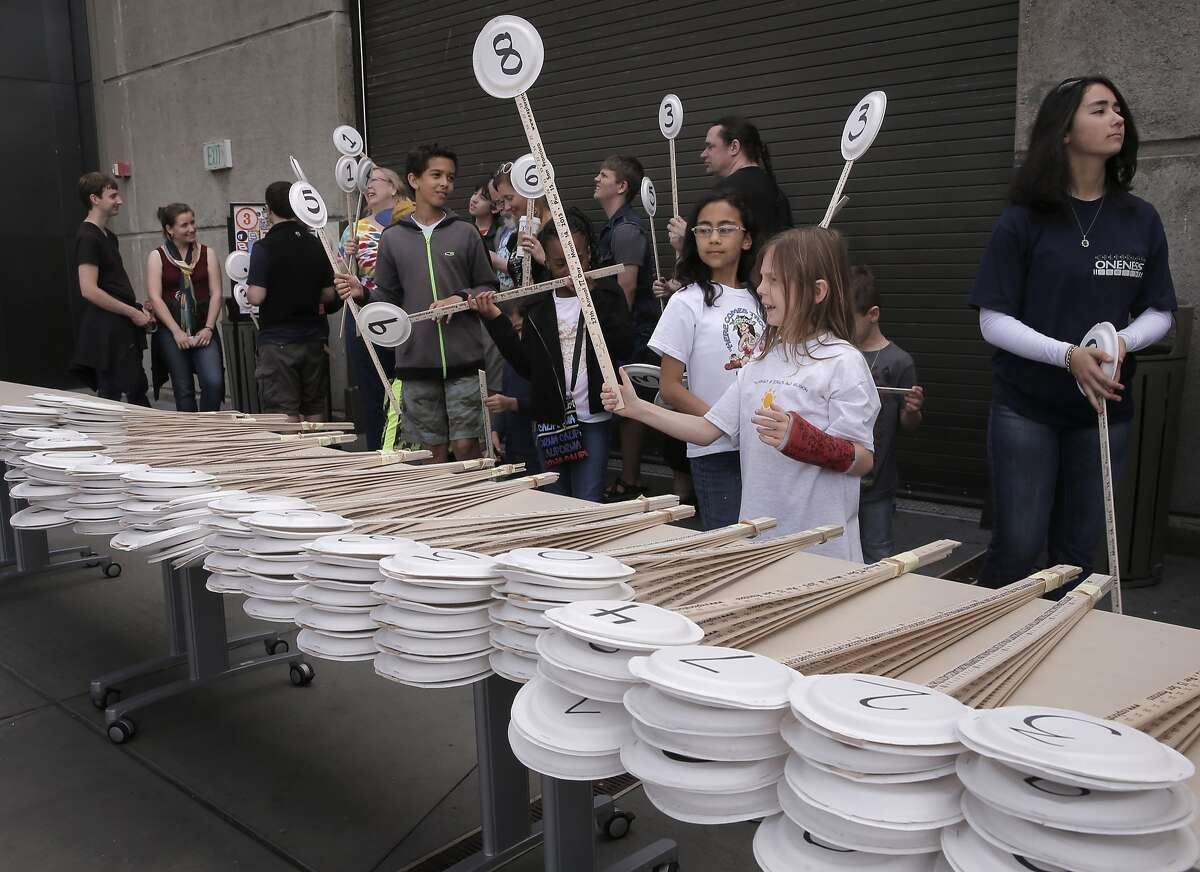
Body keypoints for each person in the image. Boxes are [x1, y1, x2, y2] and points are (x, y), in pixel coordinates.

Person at [969, 75, 1176, 591]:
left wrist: (1121, 343)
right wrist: (1068, 356)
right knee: (1018, 546)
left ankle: (1060, 655)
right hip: (1026, 407)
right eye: (1100, 109)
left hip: (1105, 410)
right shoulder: (1023, 220)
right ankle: (992, 651)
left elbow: (1160, 311)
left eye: (1118, 109)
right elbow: (992, 320)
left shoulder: (1140, 218)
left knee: (1082, 555)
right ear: (1065, 130)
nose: (1117, 119)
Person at [603, 227, 879, 562]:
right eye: (762, 278)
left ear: (817, 291)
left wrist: (804, 440)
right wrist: (639, 409)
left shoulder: (843, 362)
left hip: (823, 551)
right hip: (758, 544)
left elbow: (862, 459)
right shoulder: (761, 358)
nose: (761, 290)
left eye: (775, 280)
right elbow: (707, 430)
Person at [336, 143, 497, 462]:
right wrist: (362, 293)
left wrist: (460, 297)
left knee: (467, 447)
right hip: (414, 362)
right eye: (436, 175)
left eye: (450, 177)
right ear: (413, 180)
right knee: (431, 452)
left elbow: (487, 284)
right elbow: (388, 298)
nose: (444, 184)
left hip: (464, 361)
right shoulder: (393, 238)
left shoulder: (465, 233)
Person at [470, 209, 632, 502]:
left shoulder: (607, 293)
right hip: (550, 419)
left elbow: (623, 344)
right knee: (554, 500)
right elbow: (524, 364)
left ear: (590, 254)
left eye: (579, 259)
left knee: (587, 500)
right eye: (560, 264)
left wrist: (591, 296)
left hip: (593, 416)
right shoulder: (538, 304)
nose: (571, 270)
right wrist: (494, 318)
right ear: (547, 262)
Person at [648, 191, 763, 530]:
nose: (714, 238)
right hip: (713, 448)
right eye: (704, 229)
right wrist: (724, 426)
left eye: (726, 228)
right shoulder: (686, 301)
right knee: (729, 544)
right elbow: (669, 387)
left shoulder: (765, 298)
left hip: (764, 447)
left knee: (766, 542)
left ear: (747, 239)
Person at [593, 154, 660, 501]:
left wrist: (615, 335)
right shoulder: (612, 227)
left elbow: (627, 286)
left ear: (621, 186)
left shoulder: (626, 230)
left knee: (631, 405)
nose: (596, 180)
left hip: (633, 335)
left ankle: (631, 481)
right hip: (627, 332)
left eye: (603, 176)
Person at [246, 181, 339, 422]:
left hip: (278, 342)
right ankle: (317, 456)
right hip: (314, 339)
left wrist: (245, 292)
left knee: (283, 410)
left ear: (268, 210)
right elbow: (329, 294)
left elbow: (257, 296)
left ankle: (295, 459)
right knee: (314, 407)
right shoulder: (316, 244)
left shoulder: (263, 247)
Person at [850, 265, 923, 562]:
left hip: (879, 482)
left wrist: (913, 410)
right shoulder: (839, 353)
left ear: (873, 314)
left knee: (878, 552)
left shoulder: (899, 361)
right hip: (842, 475)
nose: (840, 327)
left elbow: (910, 424)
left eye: (848, 320)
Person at [339, 166, 413, 449]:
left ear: (394, 187)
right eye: (366, 183)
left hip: (407, 314)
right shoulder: (355, 228)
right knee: (372, 390)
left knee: (409, 386)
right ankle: (377, 451)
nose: (368, 186)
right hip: (368, 315)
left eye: (376, 181)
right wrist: (347, 260)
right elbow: (342, 278)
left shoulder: (412, 219)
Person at [71, 172, 153, 405]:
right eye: (113, 195)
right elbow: (88, 289)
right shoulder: (88, 237)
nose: (120, 200)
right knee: (115, 395)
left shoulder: (108, 236)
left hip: (119, 328)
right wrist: (133, 313)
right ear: (94, 199)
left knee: (134, 389)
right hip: (107, 331)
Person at [668, 116, 793, 255]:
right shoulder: (775, 191)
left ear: (734, 147)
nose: (703, 154)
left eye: (710, 146)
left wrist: (689, 240)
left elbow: (720, 255)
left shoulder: (724, 194)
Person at [145, 203, 224, 412]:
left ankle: (209, 429)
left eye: (192, 222)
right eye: (184, 225)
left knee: (213, 382)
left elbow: (216, 293)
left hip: (203, 328)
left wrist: (209, 327)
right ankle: (194, 438)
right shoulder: (158, 256)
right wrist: (176, 331)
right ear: (170, 229)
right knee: (184, 389)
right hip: (172, 331)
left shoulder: (207, 254)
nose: (191, 229)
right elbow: (155, 296)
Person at [486, 302, 539, 473]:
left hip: (539, 450)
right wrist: (495, 431)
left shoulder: (544, 361)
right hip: (514, 450)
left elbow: (546, 402)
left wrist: (512, 404)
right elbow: (505, 396)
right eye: (515, 333)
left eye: (523, 330)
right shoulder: (509, 363)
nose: (520, 337)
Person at [491, 163, 552, 287]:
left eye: (509, 198)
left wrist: (544, 259)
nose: (507, 207)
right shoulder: (515, 237)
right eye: (503, 201)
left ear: (527, 191)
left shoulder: (561, 229)